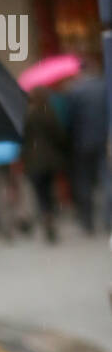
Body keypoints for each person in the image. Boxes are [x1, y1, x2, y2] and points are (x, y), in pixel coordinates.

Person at [65, 64, 111, 233]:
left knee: (84, 183)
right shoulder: (104, 86)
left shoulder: (74, 91)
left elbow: (69, 121)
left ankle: (88, 222)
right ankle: (108, 219)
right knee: (106, 179)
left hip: (82, 144)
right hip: (104, 141)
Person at [21, 89, 68, 243]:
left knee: (40, 193)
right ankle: (50, 216)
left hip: (33, 162)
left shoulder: (25, 115)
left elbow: (21, 138)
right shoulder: (48, 113)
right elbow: (58, 134)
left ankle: (45, 215)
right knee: (48, 191)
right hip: (49, 160)